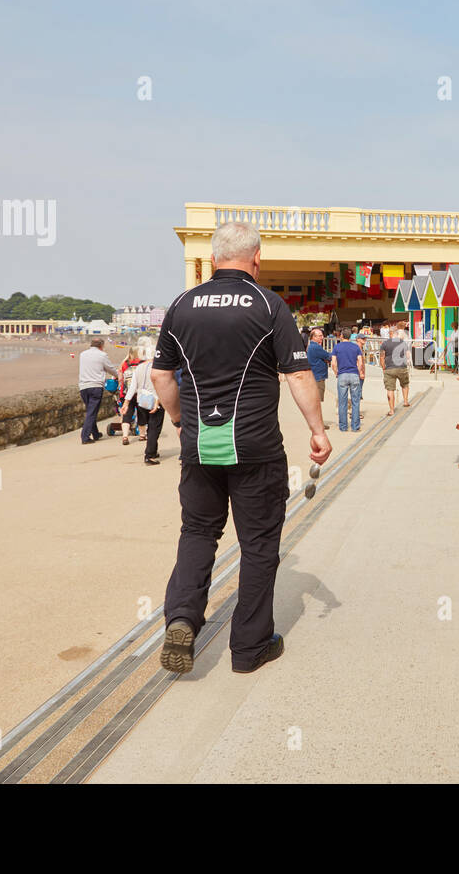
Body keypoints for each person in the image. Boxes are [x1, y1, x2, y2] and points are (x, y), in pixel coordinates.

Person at [150, 221, 330, 675]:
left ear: (212, 259)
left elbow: (160, 377)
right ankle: (249, 649)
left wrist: (177, 421)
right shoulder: (269, 306)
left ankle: (183, 619)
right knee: (259, 545)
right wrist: (318, 429)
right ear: (256, 258)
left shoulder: (182, 305)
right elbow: (298, 374)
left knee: (197, 533)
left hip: (199, 450)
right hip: (256, 448)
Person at [122, 342, 164, 464]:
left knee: (149, 427)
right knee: (154, 428)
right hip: (155, 401)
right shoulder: (157, 368)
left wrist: (126, 402)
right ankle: (149, 455)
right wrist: (157, 401)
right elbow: (159, 385)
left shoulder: (139, 367)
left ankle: (153, 450)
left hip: (141, 401)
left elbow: (133, 386)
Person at [78, 338, 117, 444]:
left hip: (83, 386)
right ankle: (85, 437)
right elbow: (111, 369)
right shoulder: (102, 355)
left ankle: (95, 433)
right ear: (101, 346)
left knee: (91, 411)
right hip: (95, 386)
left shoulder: (82, 354)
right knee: (91, 412)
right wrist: (119, 376)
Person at [330, 328, 364, 432]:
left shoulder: (337, 347)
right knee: (355, 401)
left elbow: (333, 363)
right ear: (350, 337)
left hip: (342, 375)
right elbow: (360, 362)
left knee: (342, 402)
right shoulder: (356, 347)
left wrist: (336, 372)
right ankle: (355, 426)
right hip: (354, 374)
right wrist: (358, 372)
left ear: (341, 336)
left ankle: (343, 427)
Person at [379, 327, 412, 414]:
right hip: (402, 368)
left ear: (390, 333)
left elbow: (382, 357)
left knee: (390, 389)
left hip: (389, 369)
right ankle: (405, 402)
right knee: (405, 384)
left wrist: (383, 368)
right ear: (396, 334)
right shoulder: (403, 343)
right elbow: (408, 355)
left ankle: (392, 410)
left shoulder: (385, 344)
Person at [305, 328, 332, 430]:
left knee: (315, 402)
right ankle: (318, 424)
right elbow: (328, 356)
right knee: (317, 403)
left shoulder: (312, 346)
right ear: (314, 337)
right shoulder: (316, 347)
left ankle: (315, 423)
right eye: (320, 336)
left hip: (315, 376)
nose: (322, 337)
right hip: (318, 377)